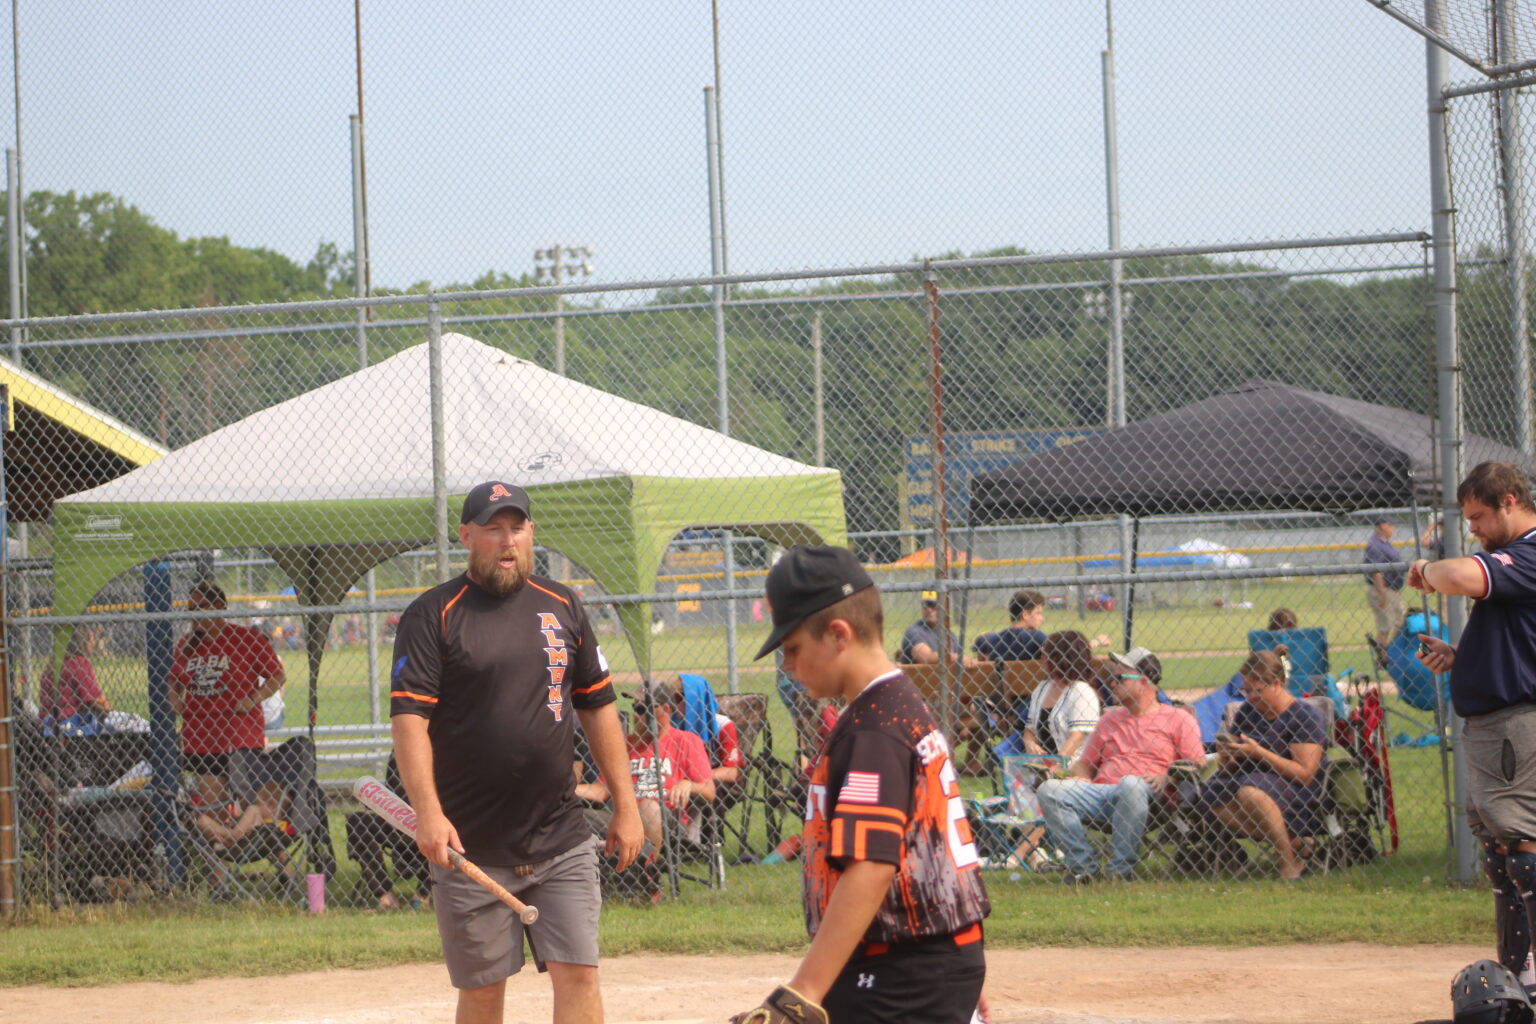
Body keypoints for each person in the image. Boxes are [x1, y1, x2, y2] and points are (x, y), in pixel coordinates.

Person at [390, 480, 644, 1024]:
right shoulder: (433, 614)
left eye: (517, 527)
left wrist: (625, 804)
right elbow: (409, 721)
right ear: (466, 536)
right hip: (472, 846)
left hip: (561, 837)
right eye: (493, 529)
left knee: (580, 976)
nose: (507, 540)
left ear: (531, 532)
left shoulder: (563, 605)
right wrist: (429, 813)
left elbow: (598, 706)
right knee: (483, 993)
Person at [733, 544, 989, 1024]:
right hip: (925, 960)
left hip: (900, 970)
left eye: (793, 648)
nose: (787, 664)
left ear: (838, 635)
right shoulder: (898, 703)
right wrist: (956, 962)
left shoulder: (873, 729)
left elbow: (871, 865)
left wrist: (803, 993)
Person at [1408, 461, 1536, 989]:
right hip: (1495, 725)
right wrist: (1464, 656)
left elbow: (1459, 577)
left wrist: (1425, 567)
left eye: (1479, 517)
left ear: (1510, 501)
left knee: (1524, 849)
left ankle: (1528, 977)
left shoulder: (1529, 552)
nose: (1475, 529)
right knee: (1502, 856)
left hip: (1516, 726)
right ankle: (1517, 976)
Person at [1035, 650, 1205, 883]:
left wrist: (1168, 777)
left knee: (1130, 784)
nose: (1112, 684)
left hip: (1150, 796)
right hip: (1102, 794)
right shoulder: (1109, 720)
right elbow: (1085, 763)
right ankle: (1084, 868)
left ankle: (1120, 870)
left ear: (1144, 682)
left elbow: (1197, 763)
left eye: (1120, 678)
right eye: (1111, 678)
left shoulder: (1178, 718)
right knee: (1049, 790)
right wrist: (1082, 777)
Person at [1189, 650, 1324, 881]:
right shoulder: (1248, 712)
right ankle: (1291, 844)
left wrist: (1259, 753)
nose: (1251, 697)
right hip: (1246, 778)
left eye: (1257, 690)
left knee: (1249, 793)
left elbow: (1305, 774)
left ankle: (1287, 861)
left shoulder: (1304, 716)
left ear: (1277, 684)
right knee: (1207, 794)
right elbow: (1231, 765)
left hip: (1293, 787)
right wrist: (1229, 756)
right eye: (1247, 690)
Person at [168, 581, 286, 810]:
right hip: (201, 738)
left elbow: (277, 676)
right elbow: (174, 679)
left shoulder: (246, 639)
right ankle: (220, 835)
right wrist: (175, 700)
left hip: (240, 736)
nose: (195, 614)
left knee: (253, 808)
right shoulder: (186, 644)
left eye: (201, 607)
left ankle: (247, 834)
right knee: (214, 808)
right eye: (191, 609)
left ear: (219, 606)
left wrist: (252, 699)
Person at [579, 682, 716, 849]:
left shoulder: (686, 741)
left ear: (665, 709)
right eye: (635, 708)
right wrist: (566, 790)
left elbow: (710, 791)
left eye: (643, 709)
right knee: (574, 816)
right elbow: (600, 790)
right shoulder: (625, 745)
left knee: (648, 807)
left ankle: (647, 862)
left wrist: (689, 784)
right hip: (624, 818)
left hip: (666, 819)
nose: (636, 715)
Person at [345, 756, 432, 911]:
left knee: (447, 828)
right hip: (395, 821)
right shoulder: (400, 749)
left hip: (428, 822)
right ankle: (385, 897)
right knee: (357, 822)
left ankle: (422, 896)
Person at [1020, 630, 1101, 763]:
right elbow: (1029, 730)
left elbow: (1077, 738)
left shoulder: (1081, 691)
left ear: (1059, 658)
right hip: (1043, 764)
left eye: (1046, 653)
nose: (1042, 657)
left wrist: (1056, 765)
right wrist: (1030, 744)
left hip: (1074, 766)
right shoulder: (1042, 688)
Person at [39, 625, 112, 728]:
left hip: (45, 724)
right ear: (82, 642)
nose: (93, 643)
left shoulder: (52, 665)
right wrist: (114, 713)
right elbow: (95, 700)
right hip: (68, 725)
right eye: (90, 640)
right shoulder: (78, 663)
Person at [897, 590, 977, 667]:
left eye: (934, 605)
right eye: (925, 605)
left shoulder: (951, 636)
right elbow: (926, 657)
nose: (929, 609)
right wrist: (957, 658)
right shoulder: (914, 631)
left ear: (945, 607)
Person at [972, 589, 1048, 663]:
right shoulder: (1037, 637)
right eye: (1038, 613)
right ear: (1025, 615)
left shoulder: (989, 640)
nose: (1042, 619)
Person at [1365, 517, 1406, 649]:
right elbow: (1376, 570)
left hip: (1391, 590)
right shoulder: (1375, 544)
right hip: (1383, 589)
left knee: (1399, 622)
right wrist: (1382, 592)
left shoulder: (1384, 543)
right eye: (1391, 525)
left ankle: (1391, 652)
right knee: (1386, 626)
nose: (1393, 528)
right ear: (1383, 526)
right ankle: (1384, 656)